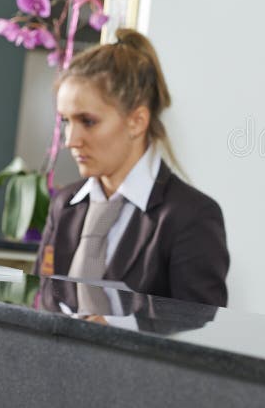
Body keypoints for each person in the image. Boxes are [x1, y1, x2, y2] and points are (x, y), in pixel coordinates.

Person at [34, 29, 230, 307]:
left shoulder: (191, 216)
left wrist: (121, 327)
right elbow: (42, 306)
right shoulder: (64, 205)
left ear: (137, 121)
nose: (70, 140)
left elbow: (201, 334)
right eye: (66, 121)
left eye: (87, 121)